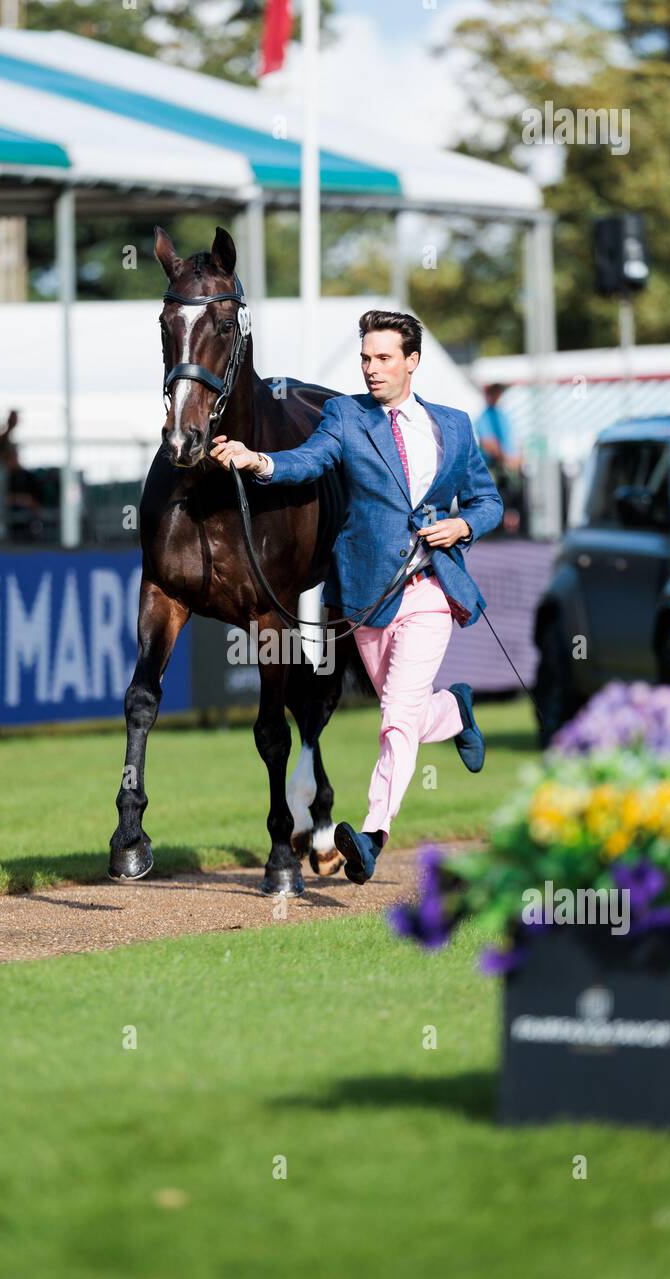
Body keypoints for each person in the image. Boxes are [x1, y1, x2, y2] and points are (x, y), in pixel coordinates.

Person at [209, 309, 503, 884]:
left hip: (430, 590)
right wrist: (258, 459)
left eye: (384, 358)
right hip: (367, 597)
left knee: (394, 719)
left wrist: (462, 527)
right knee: (409, 714)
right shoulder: (345, 415)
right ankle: (457, 708)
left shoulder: (456, 425)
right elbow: (309, 461)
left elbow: (486, 500)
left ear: (412, 361)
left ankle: (371, 835)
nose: (371, 369)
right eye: (365, 358)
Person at [476, 383, 525, 536]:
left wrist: (517, 458)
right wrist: (507, 459)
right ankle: (494, 528)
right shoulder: (485, 417)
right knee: (494, 495)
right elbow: (488, 443)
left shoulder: (502, 416)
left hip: (507, 463)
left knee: (514, 494)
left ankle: (508, 526)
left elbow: (513, 440)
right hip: (494, 465)